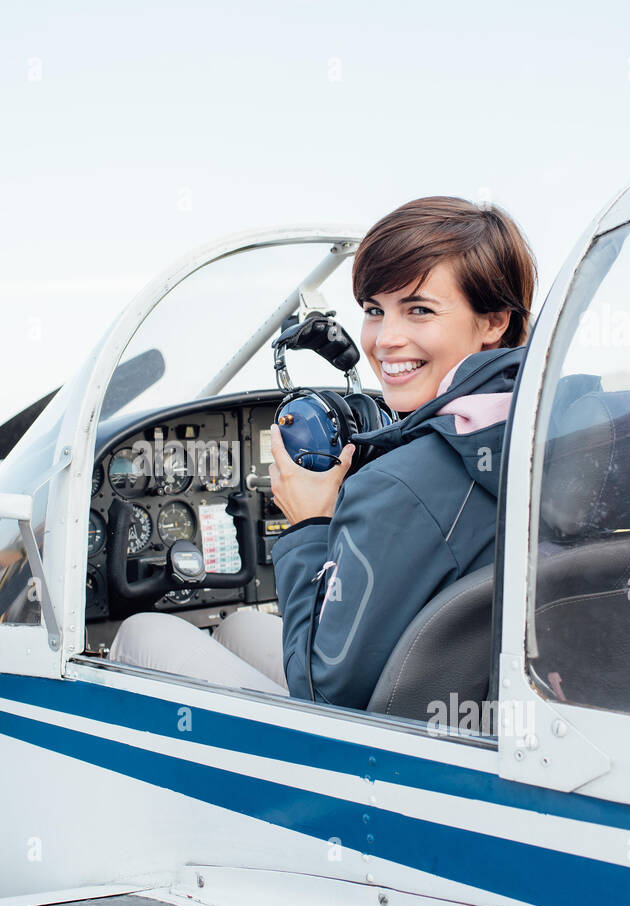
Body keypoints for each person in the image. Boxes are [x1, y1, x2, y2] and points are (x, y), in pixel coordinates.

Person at [110, 196, 536, 709]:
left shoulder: (403, 486)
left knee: (142, 632)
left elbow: (323, 694)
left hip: (381, 745)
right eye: (375, 311)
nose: (385, 340)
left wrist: (311, 523)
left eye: (419, 310)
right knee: (241, 624)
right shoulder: (539, 435)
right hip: (478, 708)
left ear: (494, 322)